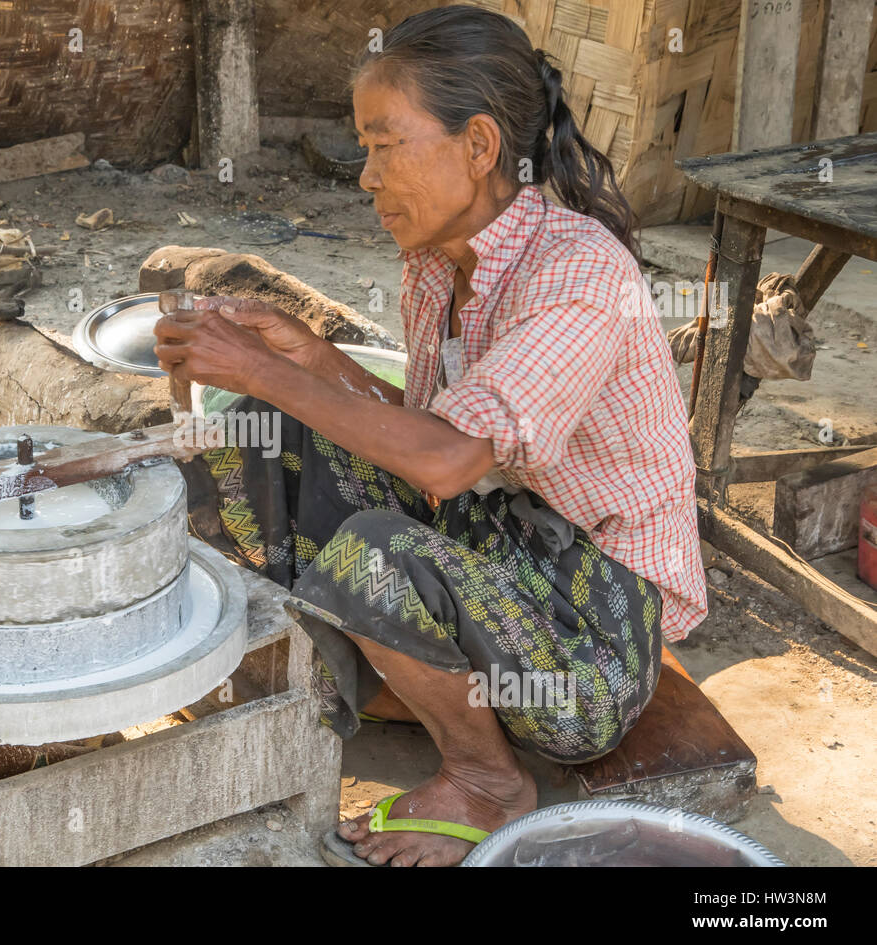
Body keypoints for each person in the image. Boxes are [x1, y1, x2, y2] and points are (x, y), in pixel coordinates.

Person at [154, 5, 706, 867]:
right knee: (255, 436)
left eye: (386, 144)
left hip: (594, 633)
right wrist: (313, 360)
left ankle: (487, 777)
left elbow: (447, 462)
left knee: (373, 552)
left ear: (479, 146)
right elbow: (428, 430)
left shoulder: (579, 274)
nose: (366, 176)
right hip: (498, 544)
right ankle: (329, 670)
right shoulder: (438, 262)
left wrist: (267, 370)